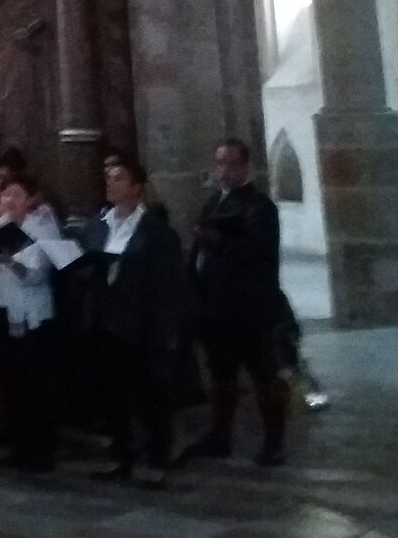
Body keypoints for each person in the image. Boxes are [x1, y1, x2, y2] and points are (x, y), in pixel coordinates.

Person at [84, 155, 188, 488]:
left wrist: (165, 332)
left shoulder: (157, 232)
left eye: (118, 178)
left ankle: (157, 459)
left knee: (152, 398)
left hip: (143, 327)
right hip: (107, 324)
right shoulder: (99, 225)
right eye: (109, 178)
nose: (110, 183)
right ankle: (120, 455)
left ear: (137, 188)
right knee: (114, 397)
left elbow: (168, 285)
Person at [184, 138, 288, 466]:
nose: (223, 170)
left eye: (230, 163)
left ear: (245, 166)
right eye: (219, 163)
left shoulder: (259, 206)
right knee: (222, 376)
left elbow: (259, 254)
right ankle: (220, 435)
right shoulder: (215, 201)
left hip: (251, 310)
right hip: (216, 308)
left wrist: (218, 243)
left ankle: (274, 442)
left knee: (263, 376)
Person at [0, 171, 67, 472]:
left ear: (30, 199)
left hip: (30, 317)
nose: (8, 200)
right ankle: (19, 444)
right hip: (0, 312)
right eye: (5, 195)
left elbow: (37, 275)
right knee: (10, 383)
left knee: (34, 385)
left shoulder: (43, 230)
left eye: (15, 195)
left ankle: (41, 450)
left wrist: (10, 262)